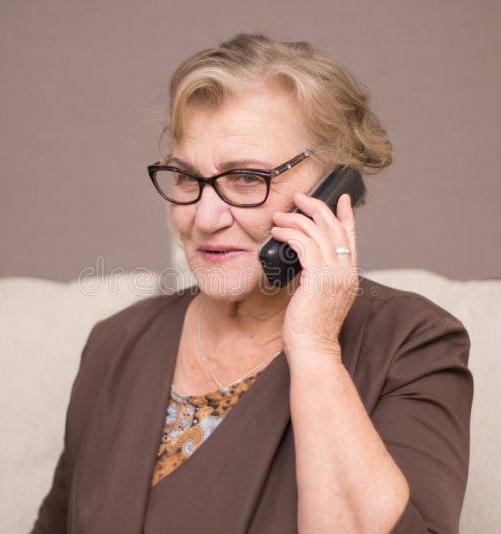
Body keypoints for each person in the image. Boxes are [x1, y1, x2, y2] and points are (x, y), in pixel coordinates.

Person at [30, 33, 473, 534]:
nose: (205, 216)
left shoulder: (414, 345)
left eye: (246, 179)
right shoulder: (115, 345)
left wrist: (314, 347)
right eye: (186, 178)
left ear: (334, 190)